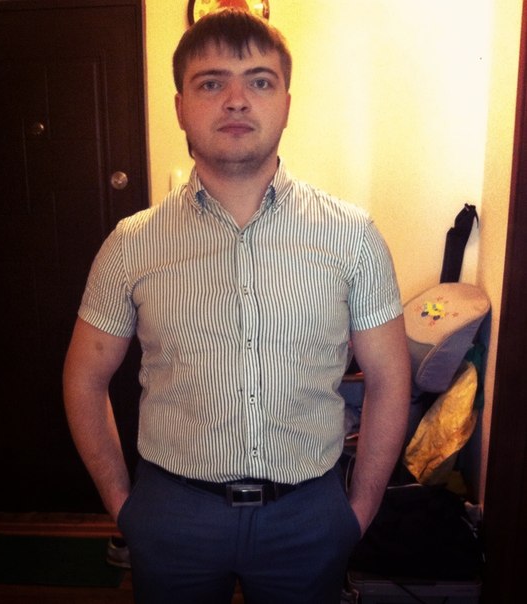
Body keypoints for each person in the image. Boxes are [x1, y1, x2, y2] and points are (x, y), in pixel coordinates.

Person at [63, 8, 411, 603]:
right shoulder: (131, 244)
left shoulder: (353, 236)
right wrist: (124, 505)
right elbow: (84, 378)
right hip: (173, 515)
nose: (236, 100)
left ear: (286, 103)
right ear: (180, 107)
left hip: (308, 516)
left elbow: (390, 377)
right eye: (210, 82)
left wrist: (359, 509)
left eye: (259, 81)